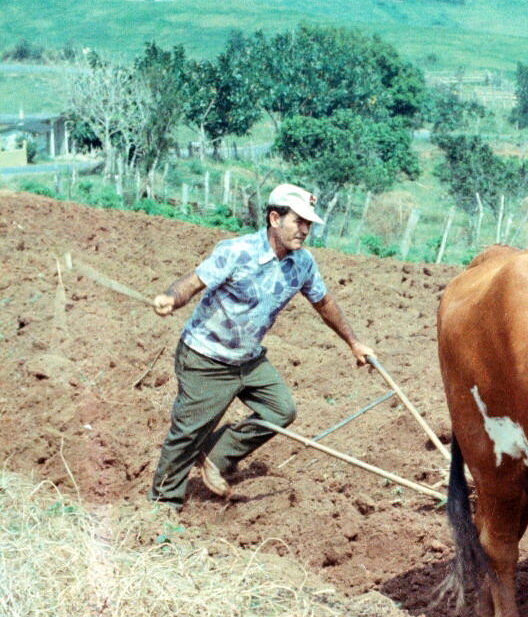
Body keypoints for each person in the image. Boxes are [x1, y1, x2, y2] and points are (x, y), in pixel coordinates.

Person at [147, 183, 374, 508]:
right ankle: (163, 504)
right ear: (274, 218)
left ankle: (214, 455)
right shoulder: (237, 251)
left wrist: (354, 343)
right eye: (299, 221)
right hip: (205, 357)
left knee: (280, 410)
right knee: (187, 432)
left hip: (248, 359)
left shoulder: (302, 264)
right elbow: (193, 282)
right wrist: (171, 298)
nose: (305, 230)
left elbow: (323, 303)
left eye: (309, 224)